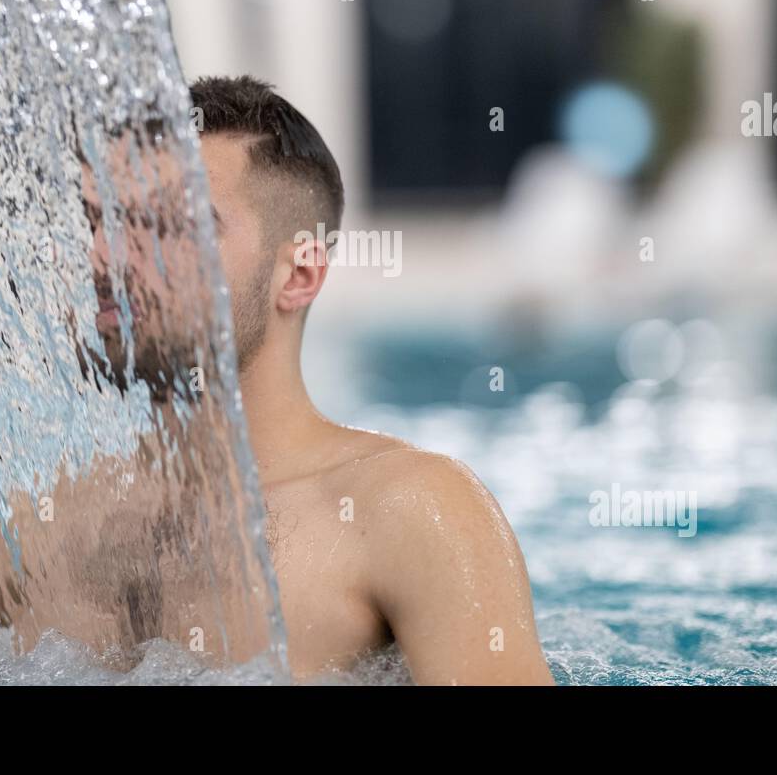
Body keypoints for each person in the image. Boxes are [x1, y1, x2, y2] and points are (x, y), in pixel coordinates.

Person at [189, 75, 554, 684]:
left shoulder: (409, 513)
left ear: (299, 275)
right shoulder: (36, 537)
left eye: (178, 225)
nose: (115, 257)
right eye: (108, 221)